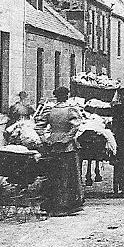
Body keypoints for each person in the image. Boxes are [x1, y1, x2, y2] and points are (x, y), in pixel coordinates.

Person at [37, 86, 84, 215]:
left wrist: (46, 140)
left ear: (56, 96)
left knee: (53, 175)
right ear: (67, 96)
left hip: (52, 144)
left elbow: (39, 126)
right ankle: (67, 204)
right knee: (69, 175)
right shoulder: (71, 110)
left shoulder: (49, 110)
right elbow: (75, 127)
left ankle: (52, 204)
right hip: (67, 147)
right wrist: (65, 140)